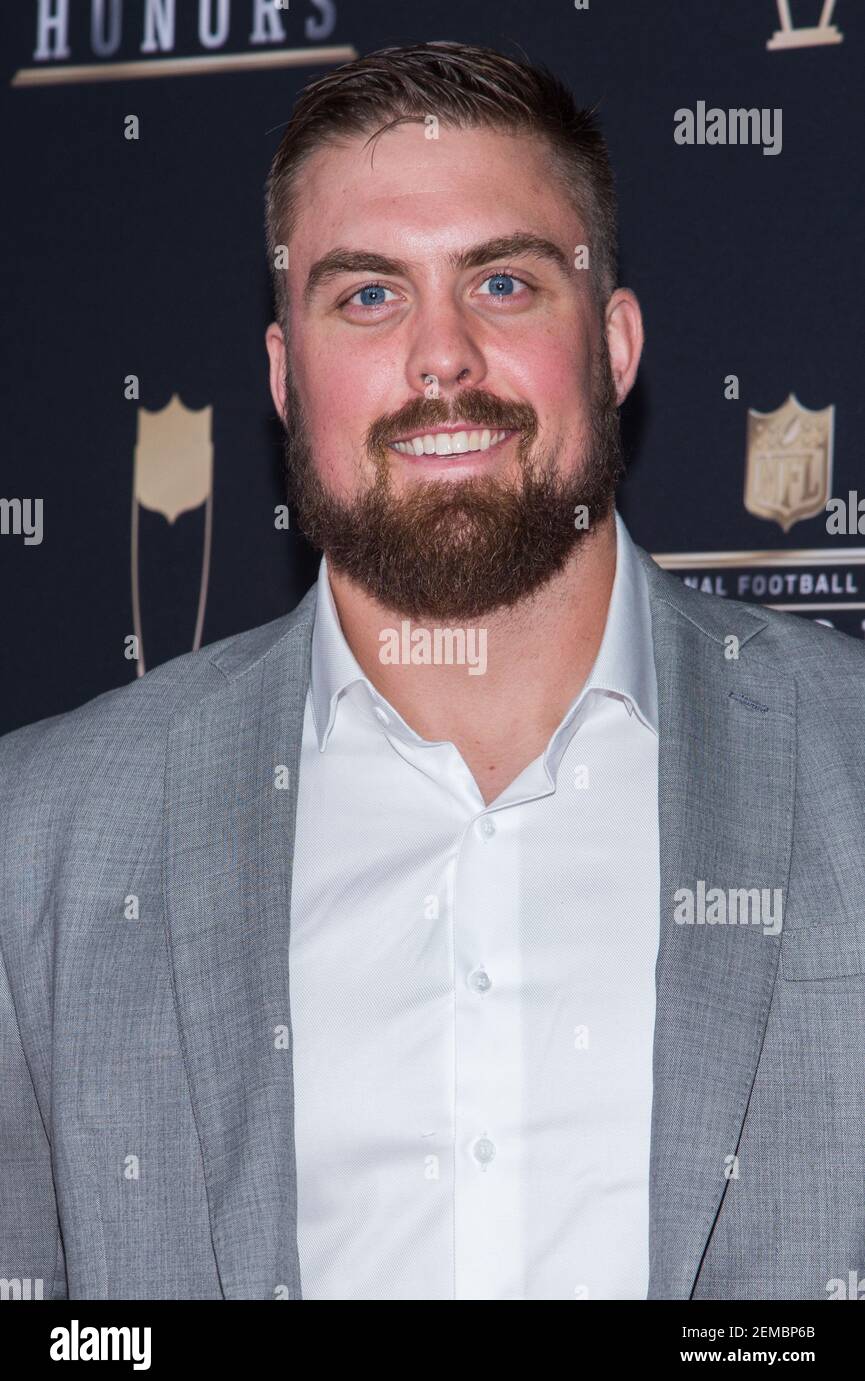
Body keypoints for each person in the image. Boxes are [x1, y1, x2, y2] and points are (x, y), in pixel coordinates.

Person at [2, 41, 864, 1302]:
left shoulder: (845, 762)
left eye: (505, 283)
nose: (442, 359)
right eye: (367, 297)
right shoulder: (41, 843)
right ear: (285, 378)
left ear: (616, 346)